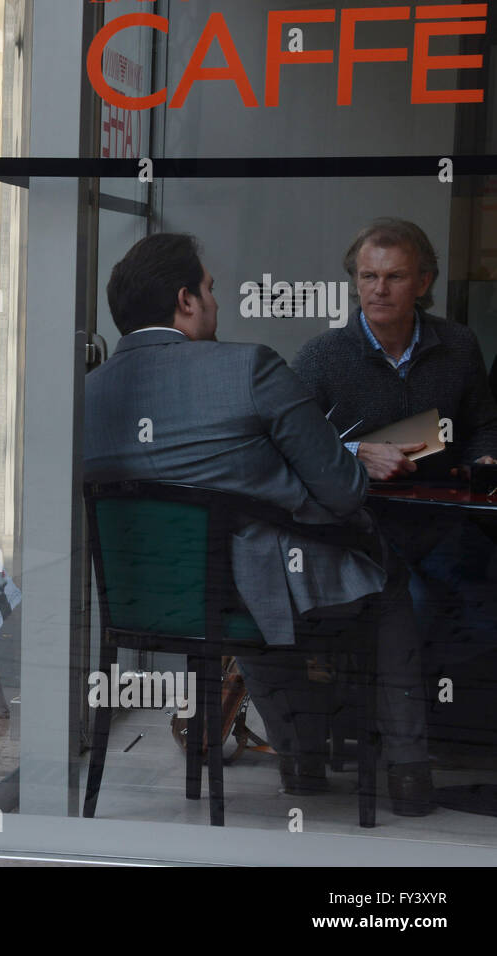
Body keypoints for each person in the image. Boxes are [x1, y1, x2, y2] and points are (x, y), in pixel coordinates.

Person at [84, 233, 433, 815]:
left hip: (141, 601)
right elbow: (344, 492)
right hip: (247, 589)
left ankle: (301, 759)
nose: (218, 302)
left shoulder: (88, 393)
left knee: (238, 581)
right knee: (373, 578)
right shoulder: (248, 366)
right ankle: (408, 773)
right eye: (211, 289)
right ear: (186, 300)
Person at [292, 219, 497, 690]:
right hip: (365, 529)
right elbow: (286, 441)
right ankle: (381, 728)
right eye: (368, 277)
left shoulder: (459, 346)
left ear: (423, 282)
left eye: (395, 277)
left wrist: (485, 459)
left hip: (444, 524)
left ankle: (424, 712)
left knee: (484, 612)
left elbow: (483, 424)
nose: (378, 290)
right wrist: (357, 451)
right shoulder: (323, 355)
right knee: (414, 612)